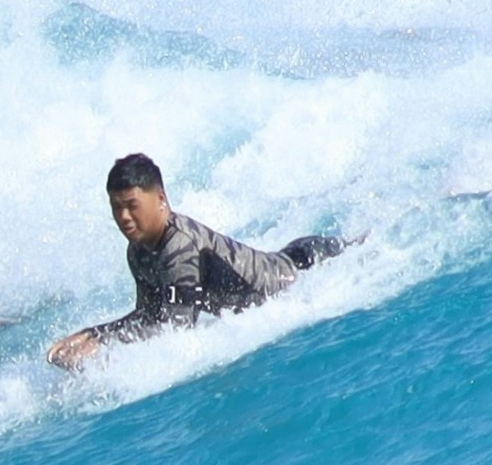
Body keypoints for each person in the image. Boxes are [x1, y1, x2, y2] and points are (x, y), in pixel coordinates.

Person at [47, 154, 348, 369]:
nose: (124, 217)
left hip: (309, 266)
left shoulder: (180, 249)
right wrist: (95, 334)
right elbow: (150, 314)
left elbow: (174, 333)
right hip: (292, 262)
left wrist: (103, 341)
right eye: (116, 208)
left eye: (132, 206)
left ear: (161, 198)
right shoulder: (138, 251)